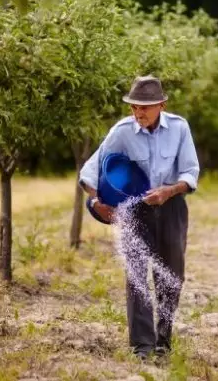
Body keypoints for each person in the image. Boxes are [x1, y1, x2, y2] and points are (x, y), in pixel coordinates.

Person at [78, 75, 200, 359]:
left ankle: (163, 341)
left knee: (170, 276)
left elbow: (190, 173)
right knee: (136, 276)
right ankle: (142, 347)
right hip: (135, 212)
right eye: (133, 107)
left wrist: (169, 192)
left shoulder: (180, 128)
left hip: (171, 208)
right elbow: (89, 171)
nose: (138, 113)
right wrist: (96, 201)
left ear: (162, 104)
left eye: (144, 107)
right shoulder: (121, 132)